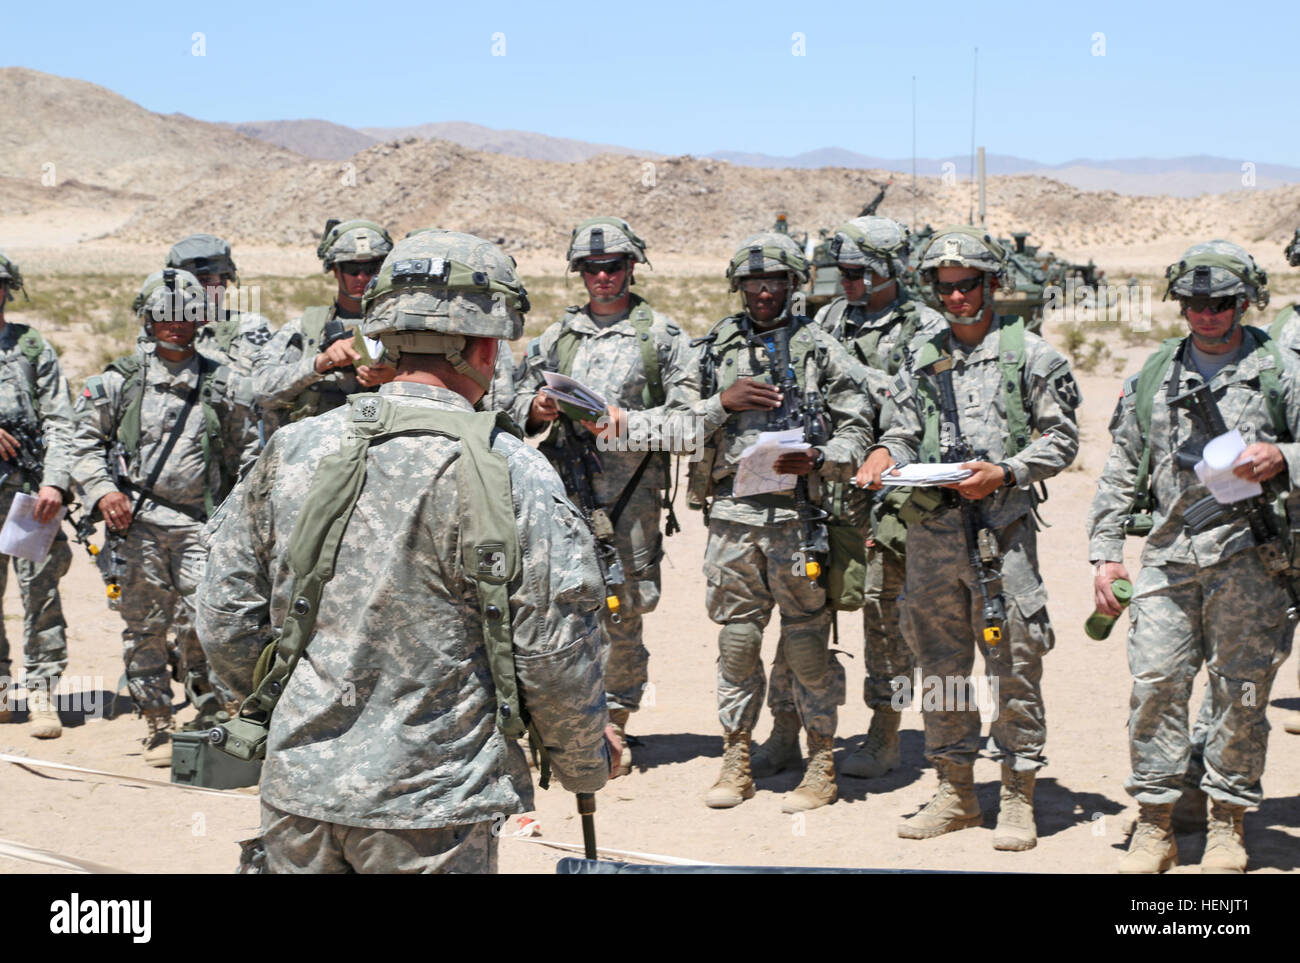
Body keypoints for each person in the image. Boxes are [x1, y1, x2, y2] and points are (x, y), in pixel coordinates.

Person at [197, 230, 616, 874]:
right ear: (483, 345)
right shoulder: (513, 472)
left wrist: (267, 713)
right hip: (431, 812)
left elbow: (226, 614)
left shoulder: (293, 449)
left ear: (385, 336)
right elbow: (555, 650)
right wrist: (585, 758)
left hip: (299, 797)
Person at [857, 225, 1080, 851]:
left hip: (999, 537)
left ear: (992, 284)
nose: (956, 298)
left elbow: (1061, 440)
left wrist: (1006, 472)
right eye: (945, 287)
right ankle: (956, 791)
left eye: (967, 286)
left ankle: (1016, 796)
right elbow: (900, 428)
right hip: (929, 536)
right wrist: (881, 453)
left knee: (1014, 665)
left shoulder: (1033, 355)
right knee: (940, 669)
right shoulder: (920, 354)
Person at [1088, 240, 1298, 874]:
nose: (1207, 315)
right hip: (1170, 558)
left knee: (1240, 694)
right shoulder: (1154, 373)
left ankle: (1227, 821)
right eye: (1194, 303)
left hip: (1252, 562)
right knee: (1156, 686)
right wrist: (1105, 554)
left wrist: (1284, 456)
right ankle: (1155, 822)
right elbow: (1122, 466)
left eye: (1223, 303)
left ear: (1246, 302)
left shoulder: (1278, 367)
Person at [512, 216, 706, 775]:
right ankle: (561, 721)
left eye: (613, 266)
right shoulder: (557, 339)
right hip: (565, 496)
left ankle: (615, 724)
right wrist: (537, 408)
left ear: (631, 268)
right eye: (592, 268)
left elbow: (692, 425)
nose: (602, 277)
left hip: (633, 499)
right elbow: (510, 407)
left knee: (624, 616)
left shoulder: (663, 339)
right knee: (557, 611)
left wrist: (626, 425)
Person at [754, 216, 944, 782]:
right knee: (803, 608)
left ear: (891, 272)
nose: (848, 283)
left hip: (891, 490)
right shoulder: (831, 316)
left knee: (887, 616)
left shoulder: (923, 327)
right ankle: (786, 729)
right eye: (843, 272)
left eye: (860, 273)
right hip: (827, 484)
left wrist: (849, 380)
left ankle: (884, 734)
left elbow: (913, 403)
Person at [688, 232, 872, 812]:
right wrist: (725, 402)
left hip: (799, 520)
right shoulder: (714, 350)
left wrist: (822, 458)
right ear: (738, 286)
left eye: (775, 281)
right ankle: (736, 760)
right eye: (752, 282)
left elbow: (860, 424)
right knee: (738, 644)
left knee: (807, 646)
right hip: (733, 521)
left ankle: (820, 763)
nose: (763, 291)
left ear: (794, 285)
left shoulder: (821, 348)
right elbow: (671, 425)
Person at [71, 269, 258, 765]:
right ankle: (157, 719)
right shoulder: (120, 382)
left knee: (210, 622)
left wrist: (236, 516)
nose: (176, 323)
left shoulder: (223, 382)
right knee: (144, 625)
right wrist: (104, 491)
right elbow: (83, 444)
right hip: (136, 527)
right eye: (165, 314)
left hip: (202, 525)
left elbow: (250, 455)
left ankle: (212, 713)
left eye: (187, 314)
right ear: (148, 317)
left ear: (201, 319)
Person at [0, 252, 77, 739]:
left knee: (41, 594)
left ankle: (44, 694)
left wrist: (55, 481)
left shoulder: (30, 347)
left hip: (30, 495)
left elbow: (61, 419)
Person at [251, 219, 396, 436]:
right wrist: (321, 363)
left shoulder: (404, 327)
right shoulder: (306, 329)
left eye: (372, 267)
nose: (362, 277)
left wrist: (395, 377)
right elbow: (262, 391)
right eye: (351, 268)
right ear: (335, 270)